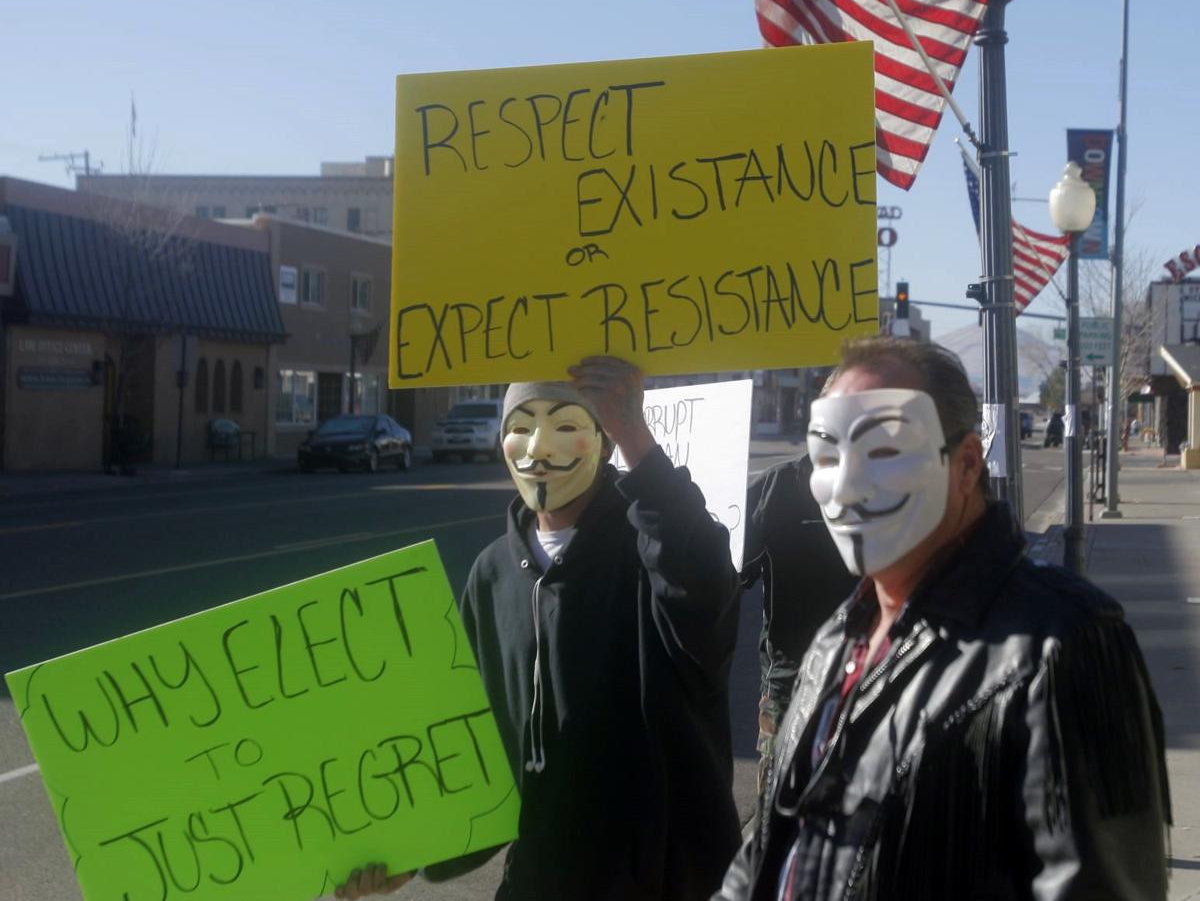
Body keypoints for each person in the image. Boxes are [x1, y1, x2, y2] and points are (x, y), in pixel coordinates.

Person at [716, 336, 1170, 901]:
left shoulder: (1066, 644)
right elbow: (769, 848)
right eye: (826, 457)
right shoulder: (838, 638)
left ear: (966, 463)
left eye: (882, 451)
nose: (846, 487)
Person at [339, 355, 742, 901]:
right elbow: (476, 739)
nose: (538, 450)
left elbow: (705, 593)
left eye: (565, 427)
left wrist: (637, 438)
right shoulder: (492, 573)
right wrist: (415, 853)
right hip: (541, 878)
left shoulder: (653, 550)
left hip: (664, 881)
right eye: (520, 429)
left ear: (601, 439)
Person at [740, 454, 854, 789]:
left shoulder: (882, 485)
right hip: (788, 685)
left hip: (865, 679)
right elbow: (732, 573)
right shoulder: (776, 489)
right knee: (776, 801)